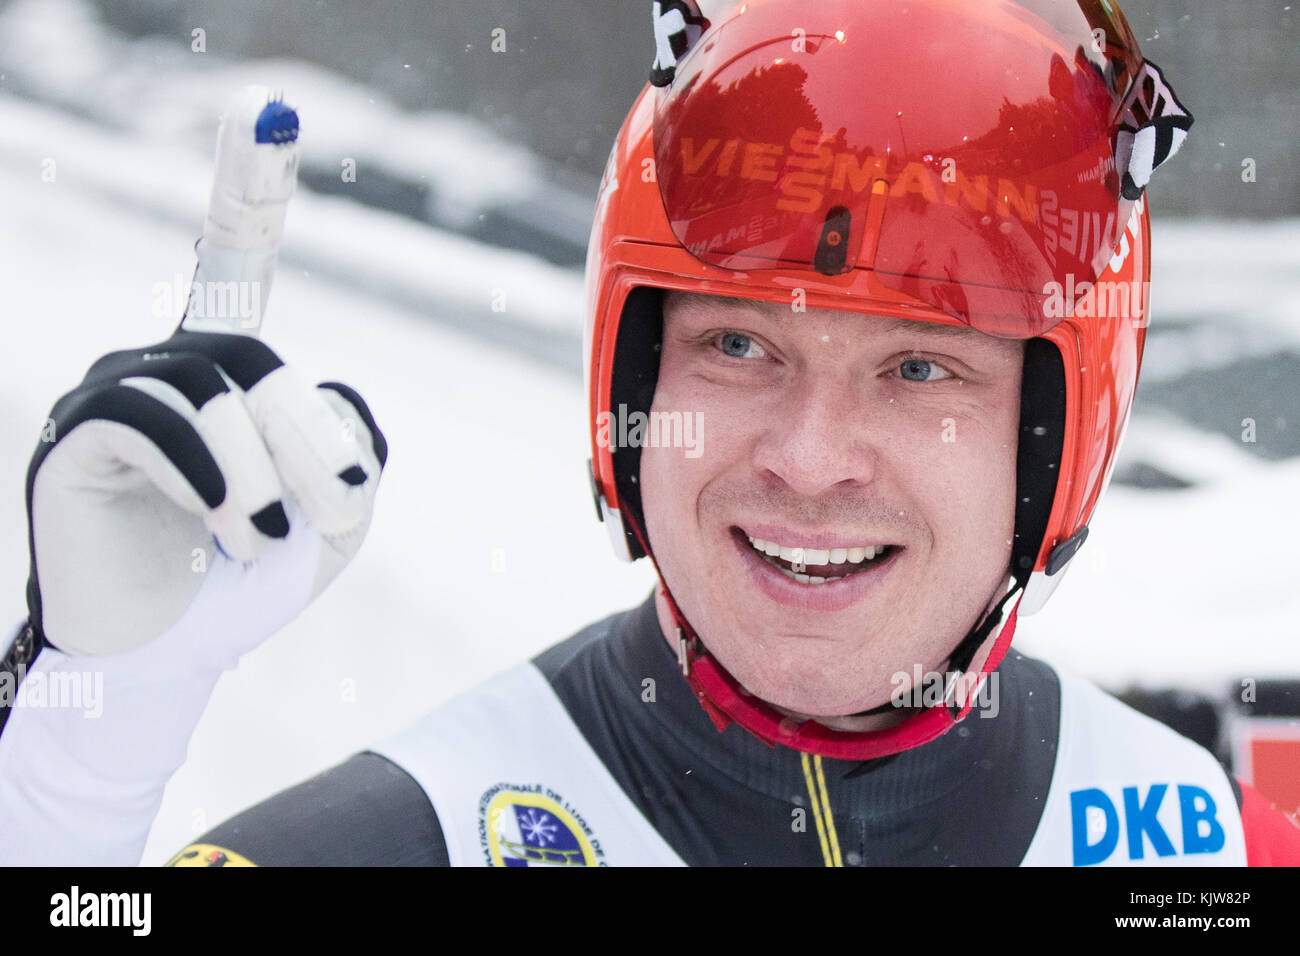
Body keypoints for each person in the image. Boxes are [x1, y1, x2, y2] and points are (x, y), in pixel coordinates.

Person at [2, 0, 1297, 868]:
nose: (807, 453)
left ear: (1055, 434)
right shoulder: (418, 835)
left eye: (919, 366)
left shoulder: (1187, 836)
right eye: (740, 346)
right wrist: (75, 766)